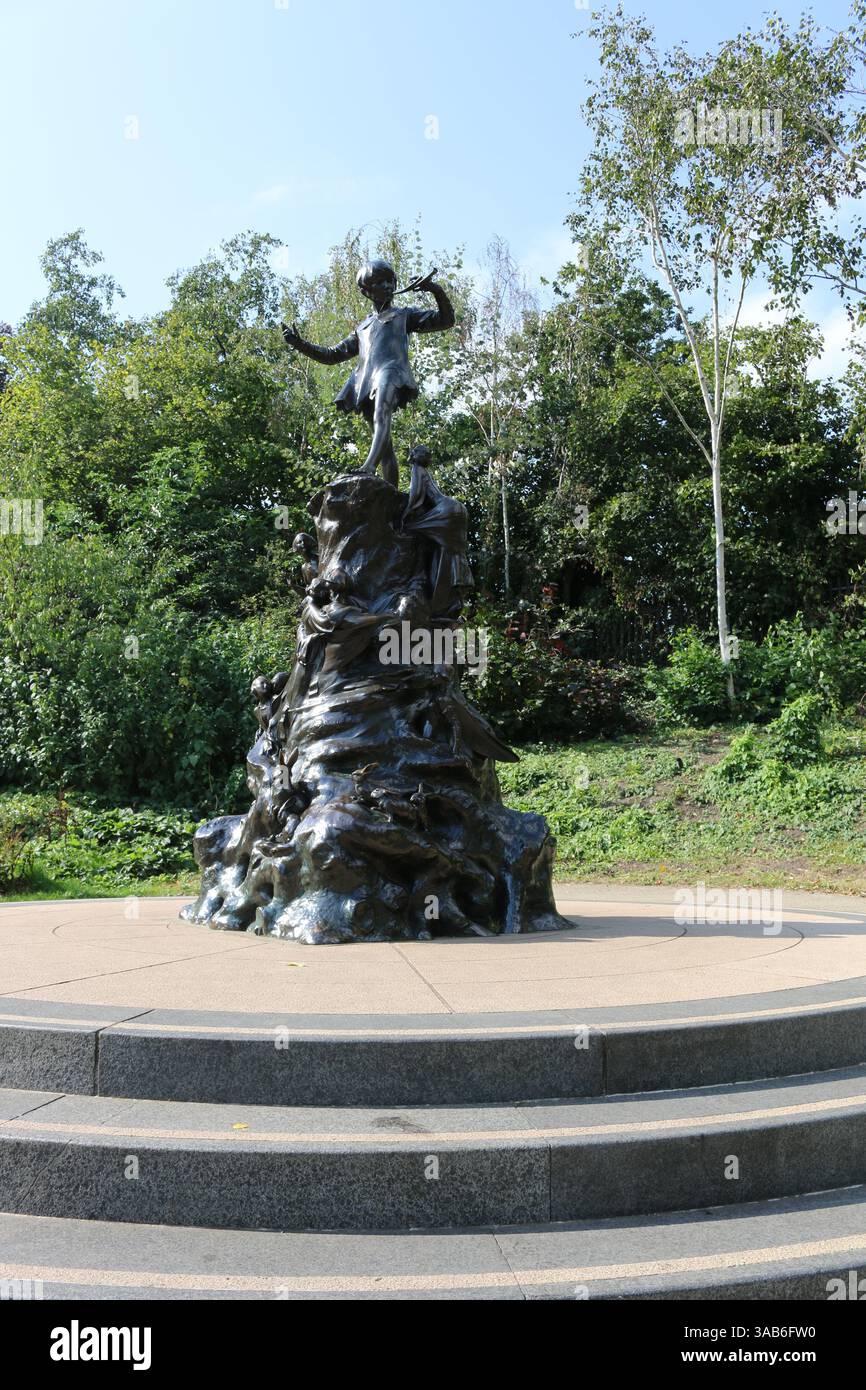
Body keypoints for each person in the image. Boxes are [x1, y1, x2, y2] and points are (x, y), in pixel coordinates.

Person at [282, 260, 454, 487]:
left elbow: (446, 321)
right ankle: (390, 497)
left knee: (382, 414)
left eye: (390, 281)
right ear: (366, 291)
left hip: (391, 371)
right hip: (365, 380)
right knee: (385, 447)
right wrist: (299, 344)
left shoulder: (404, 315)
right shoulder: (362, 328)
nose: (387, 286)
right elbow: (332, 355)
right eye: (379, 282)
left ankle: (368, 467)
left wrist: (436, 290)